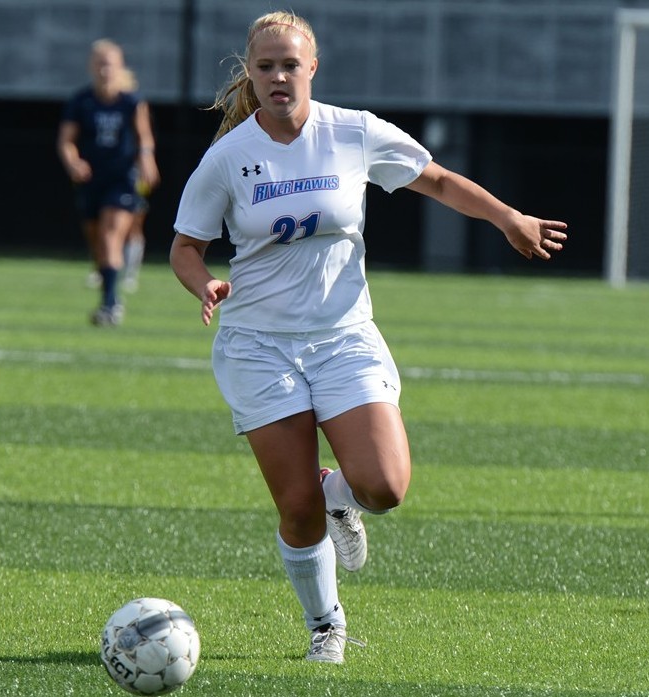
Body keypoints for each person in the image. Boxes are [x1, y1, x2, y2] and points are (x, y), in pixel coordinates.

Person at [169, 11, 568, 664]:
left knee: (383, 486)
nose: (276, 76)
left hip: (342, 337)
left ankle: (338, 494)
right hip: (257, 346)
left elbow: (433, 177)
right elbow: (185, 246)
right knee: (293, 507)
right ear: (251, 73)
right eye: (264, 66)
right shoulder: (229, 157)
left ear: (311, 69)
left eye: (289, 65)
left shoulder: (351, 132)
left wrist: (506, 217)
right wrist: (204, 283)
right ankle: (325, 625)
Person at [57, 39, 159, 326]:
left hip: (122, 178)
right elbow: (66, 141)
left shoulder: (131, 102)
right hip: (92, 180)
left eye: (110, 64)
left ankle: (111, 304)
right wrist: (73, 161)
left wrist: (147, 159)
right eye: (100, 64)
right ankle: (109, 293)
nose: (104, 70)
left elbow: (144, 138)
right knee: (97, 242)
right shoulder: (81, 101)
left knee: (109, 235)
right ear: (92, 66)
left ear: (119, 67)